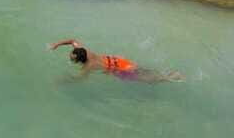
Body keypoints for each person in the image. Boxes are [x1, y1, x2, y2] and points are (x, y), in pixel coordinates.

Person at [49, 39, 183, 82]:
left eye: (72, 58)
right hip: (121, 61)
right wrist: (57, 44)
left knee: (147, 80)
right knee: (143, 70)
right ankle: (168, 74)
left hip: (121, 70)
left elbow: (80, 79)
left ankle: (171, 78)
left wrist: (65, 80)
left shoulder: (88, 66)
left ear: (80, 59)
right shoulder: (84, 50)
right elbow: (73, 41)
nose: (70, 56)